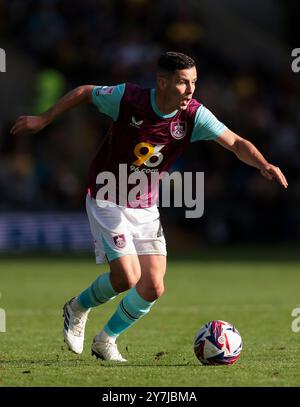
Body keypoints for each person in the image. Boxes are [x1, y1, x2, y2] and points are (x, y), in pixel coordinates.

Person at [10, 51, 288, 362]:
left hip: (145, 204)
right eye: (183, 83)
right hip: (107, 196)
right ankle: (77, 307)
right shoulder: (129, 99)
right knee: (126, 277)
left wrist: (264, 164)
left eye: (194, 82)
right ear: (163, 82)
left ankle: (106, 340)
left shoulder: (194, 116)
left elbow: (236, 143)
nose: (190, 90)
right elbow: (86, 92)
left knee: (153, 285)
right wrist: (43, 118)